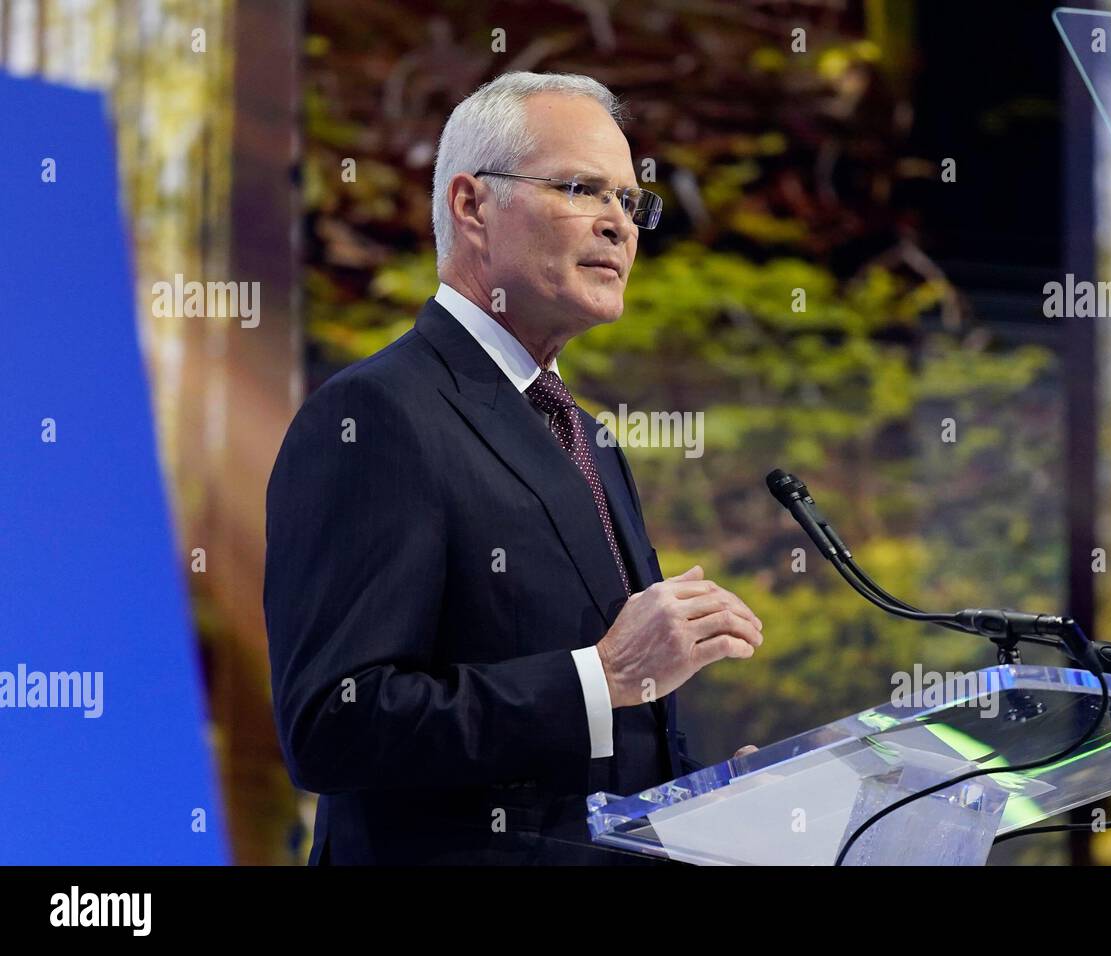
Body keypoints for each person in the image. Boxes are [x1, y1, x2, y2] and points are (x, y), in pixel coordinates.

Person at [264, 71, 762, 865]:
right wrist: (598, 677)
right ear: (471, 207)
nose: (618, 226)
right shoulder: (375, 417)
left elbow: (620, 739)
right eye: (581, 188)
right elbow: (334, 723)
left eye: (631, 204)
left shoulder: (587, 437)